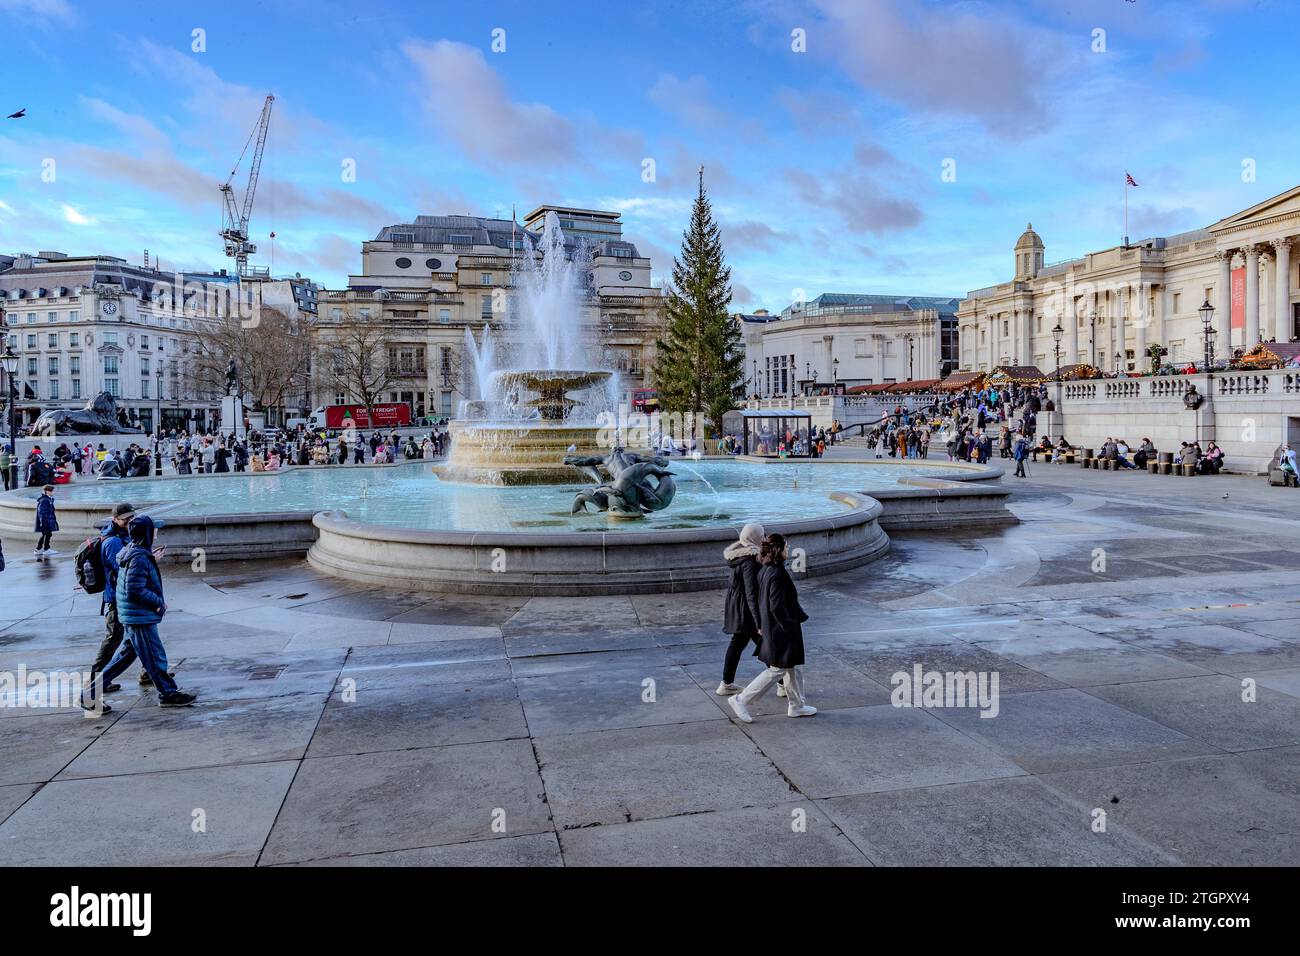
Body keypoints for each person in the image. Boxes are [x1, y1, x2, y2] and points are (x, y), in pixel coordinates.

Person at [81, 515, 195, 713]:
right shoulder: (139, 557)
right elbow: (135, 589)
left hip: (132, 615)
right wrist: (158, 603)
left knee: (124, 659)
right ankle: (168, 693)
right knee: (155, 656)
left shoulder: (134, 551)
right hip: (138, 616)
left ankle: (90, 695)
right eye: (155, 529)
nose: (157, 531)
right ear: (148, 532)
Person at [728, 533, 816, 722]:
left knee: (792, 667)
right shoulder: (777, 574)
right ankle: (740, 699)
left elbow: (763, 602)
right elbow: (776, 606)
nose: (788, 549)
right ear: (779, 550)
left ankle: (797, 706)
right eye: (786, 547)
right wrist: (789, 626)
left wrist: (761, 624)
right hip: (781, 631)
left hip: (774, 628)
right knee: (777, 670)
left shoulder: (766, 570)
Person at [718, 522, 783, 698]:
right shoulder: (749, 561)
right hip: (746, 611)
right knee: (765, 643)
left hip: (737, 607)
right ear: (754, 538)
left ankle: (726, 683)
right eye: (761, 535)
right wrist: (758, 620)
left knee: (739, 643)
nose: (764, 538)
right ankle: (783, 683)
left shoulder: (738, 556)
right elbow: (751, 593)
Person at [34, 483, 58, 556]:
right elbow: (41, 512)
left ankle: (40, 549)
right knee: (46, 534)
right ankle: (43, 549)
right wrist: (43, 522)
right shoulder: (45, 500)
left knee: (47, 534)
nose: (54, 492)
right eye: (53, 491)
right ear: (48, 491)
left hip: (48, 521)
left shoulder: (48, 499)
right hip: (46, 521)